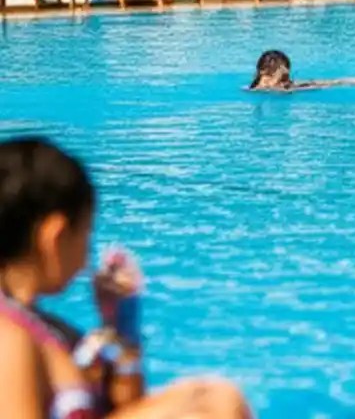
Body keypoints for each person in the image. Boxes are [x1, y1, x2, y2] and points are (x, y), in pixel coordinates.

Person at [0, 137, 250, 419]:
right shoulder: (8, 337)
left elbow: (120, 406)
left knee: (210, 399)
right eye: (85, 234)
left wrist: (120, 329)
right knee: (215, 403)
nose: (86, 254)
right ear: (55, 238)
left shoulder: (44, 328)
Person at [247, 50, 355, 91]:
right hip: (296, 87)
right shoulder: (277, 88)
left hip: (298, 87)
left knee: (332, 82)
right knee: (331, 83)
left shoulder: (283, 88)